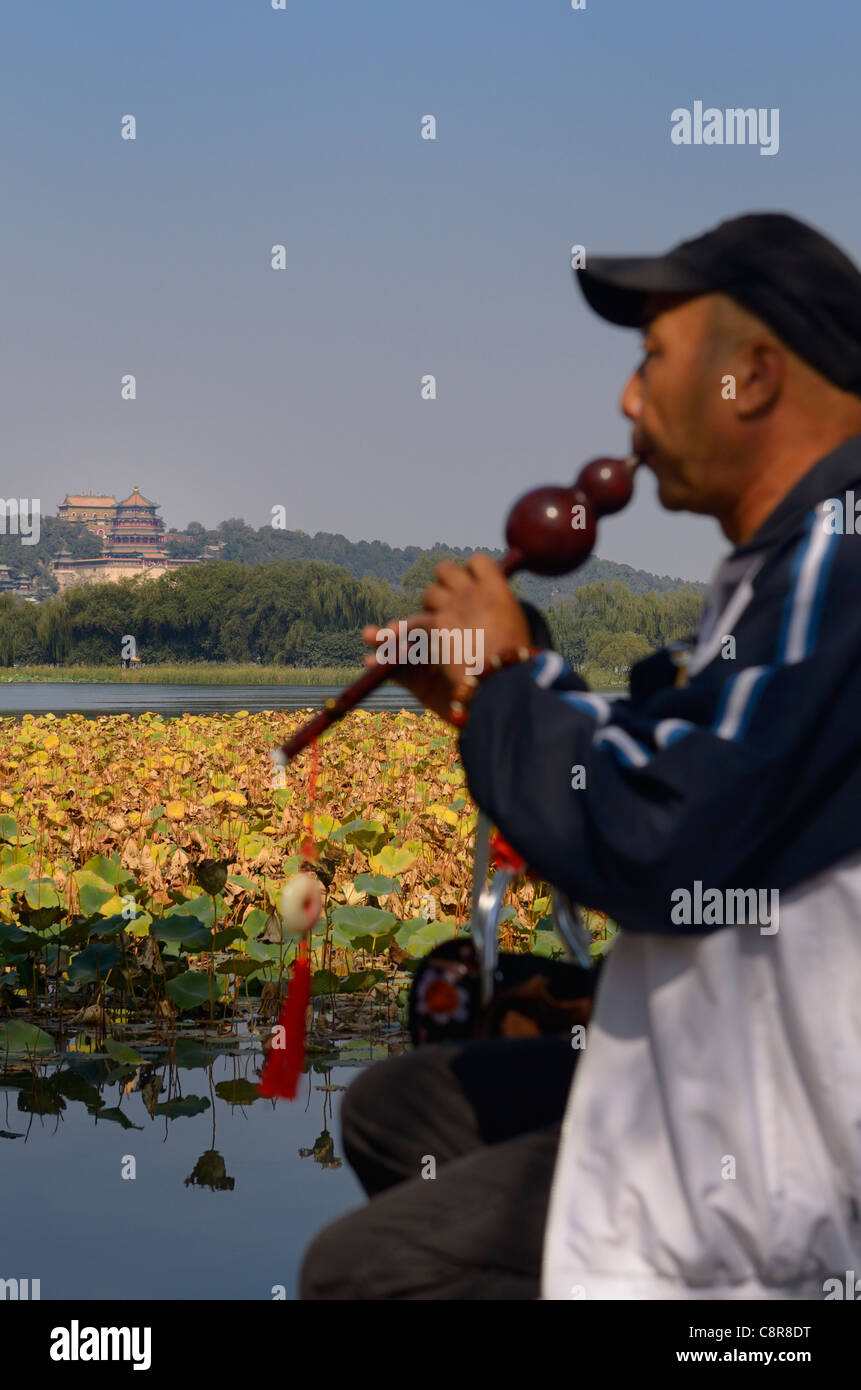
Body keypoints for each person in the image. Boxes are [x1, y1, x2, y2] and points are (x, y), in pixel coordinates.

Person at [301, 212, 861, 1300]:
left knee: (364, 1274)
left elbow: (666, 828)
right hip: (726, 1077)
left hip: (789, 1163)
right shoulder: (786, 570)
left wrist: (512, 676)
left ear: (752, 374)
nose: (627, 400)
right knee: (401, 1108)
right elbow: (692, 769)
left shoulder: (844, 556)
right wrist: (480, 703)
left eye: (652, 358)